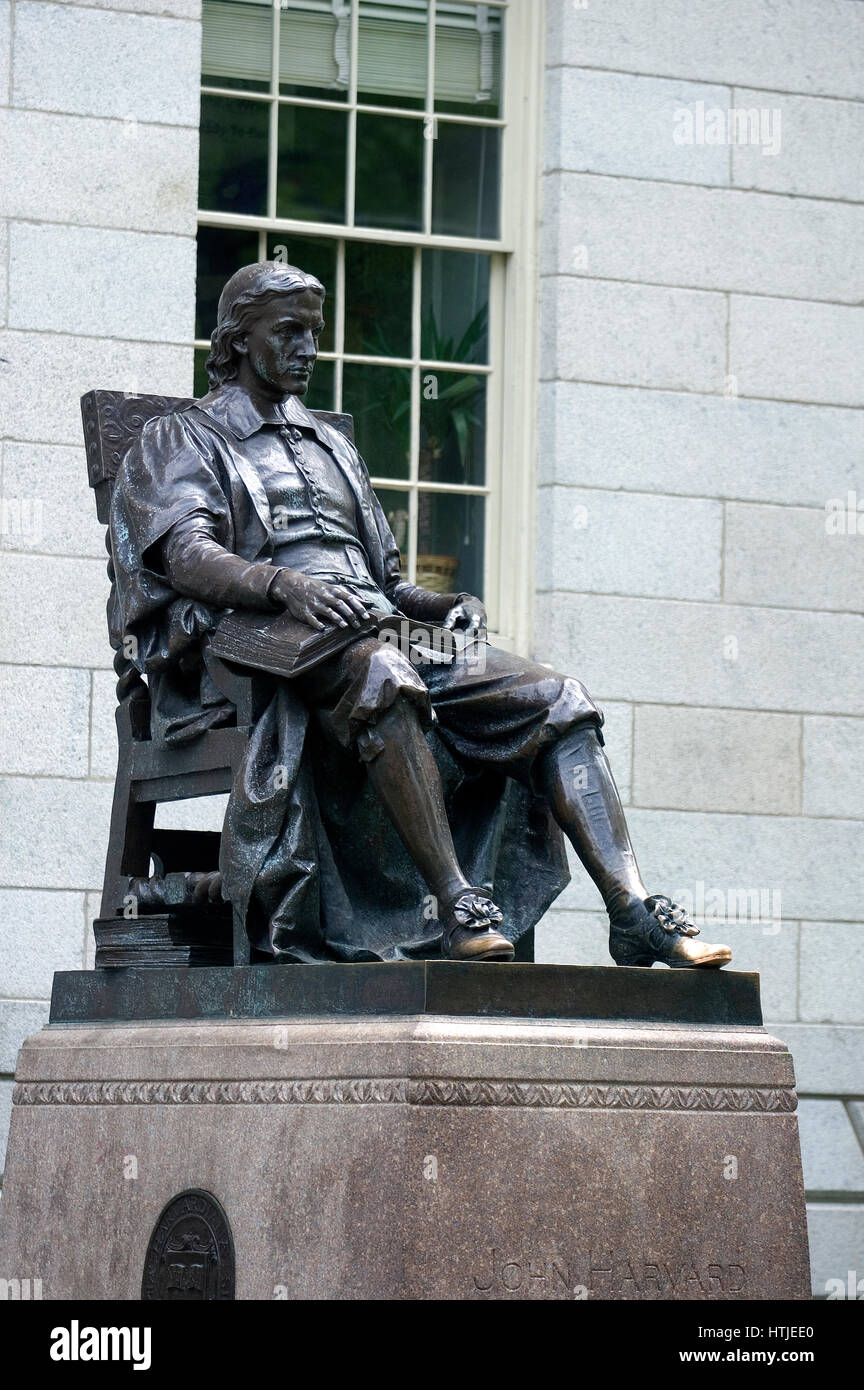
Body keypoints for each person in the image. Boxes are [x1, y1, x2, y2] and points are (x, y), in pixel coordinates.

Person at [110, 261, 731, 970]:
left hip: (377, 624)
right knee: (384, 671)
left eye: (314, 332)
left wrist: (444, 606)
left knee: (556, 697)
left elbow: (388, 581)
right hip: (262, 641)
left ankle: (631, 909)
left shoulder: (332, 444)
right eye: (288, 332)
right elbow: (186, 556)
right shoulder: (181, 437)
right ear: (237, 339)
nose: (308, 348)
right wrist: (284, 585)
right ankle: (459, 906)